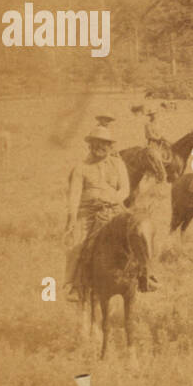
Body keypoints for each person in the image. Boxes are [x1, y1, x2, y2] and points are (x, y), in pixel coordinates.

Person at [64, 127, 134, 301]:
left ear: (110, 146)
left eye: (104, 143)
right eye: (96, 142)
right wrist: (72, 218)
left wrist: (114, 199)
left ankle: (145, 276)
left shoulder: (118, 164)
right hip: (88, 212)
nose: (100, 146)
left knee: (138, 233)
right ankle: (73, 284)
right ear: (90, 145)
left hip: (115, 208)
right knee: (77, 245)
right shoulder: (81, 167)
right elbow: (74, 195)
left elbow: (125, 189)